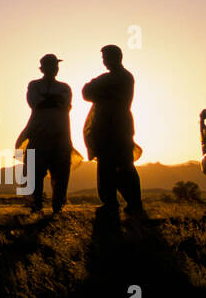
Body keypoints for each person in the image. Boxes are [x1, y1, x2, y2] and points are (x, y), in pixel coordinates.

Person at [81, 44, 144, 219]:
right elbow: (85, 92)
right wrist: (102, 92)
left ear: (118, 57)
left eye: (107, 57)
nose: (105, 61)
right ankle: (111, 203)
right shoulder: (110, 78)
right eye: (103, 58)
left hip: (119, 128)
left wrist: (100, 92)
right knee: (106, 167)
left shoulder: (124, 77)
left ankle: (133, 203)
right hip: (104, 128)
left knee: (124, 166)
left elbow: (92, 91)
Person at [17, 54, 77, 214]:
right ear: (42, 69)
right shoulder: (34, 85)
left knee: (61, 173)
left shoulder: (65, 87)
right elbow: (36, 103)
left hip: (61, 135)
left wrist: (48, 100)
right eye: (51, 66)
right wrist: (54, 100)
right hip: (39, 134)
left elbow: (64, 104)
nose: (54, 69)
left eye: (56, 66)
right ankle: (36, 206)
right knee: (35, 172)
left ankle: (58, 208)